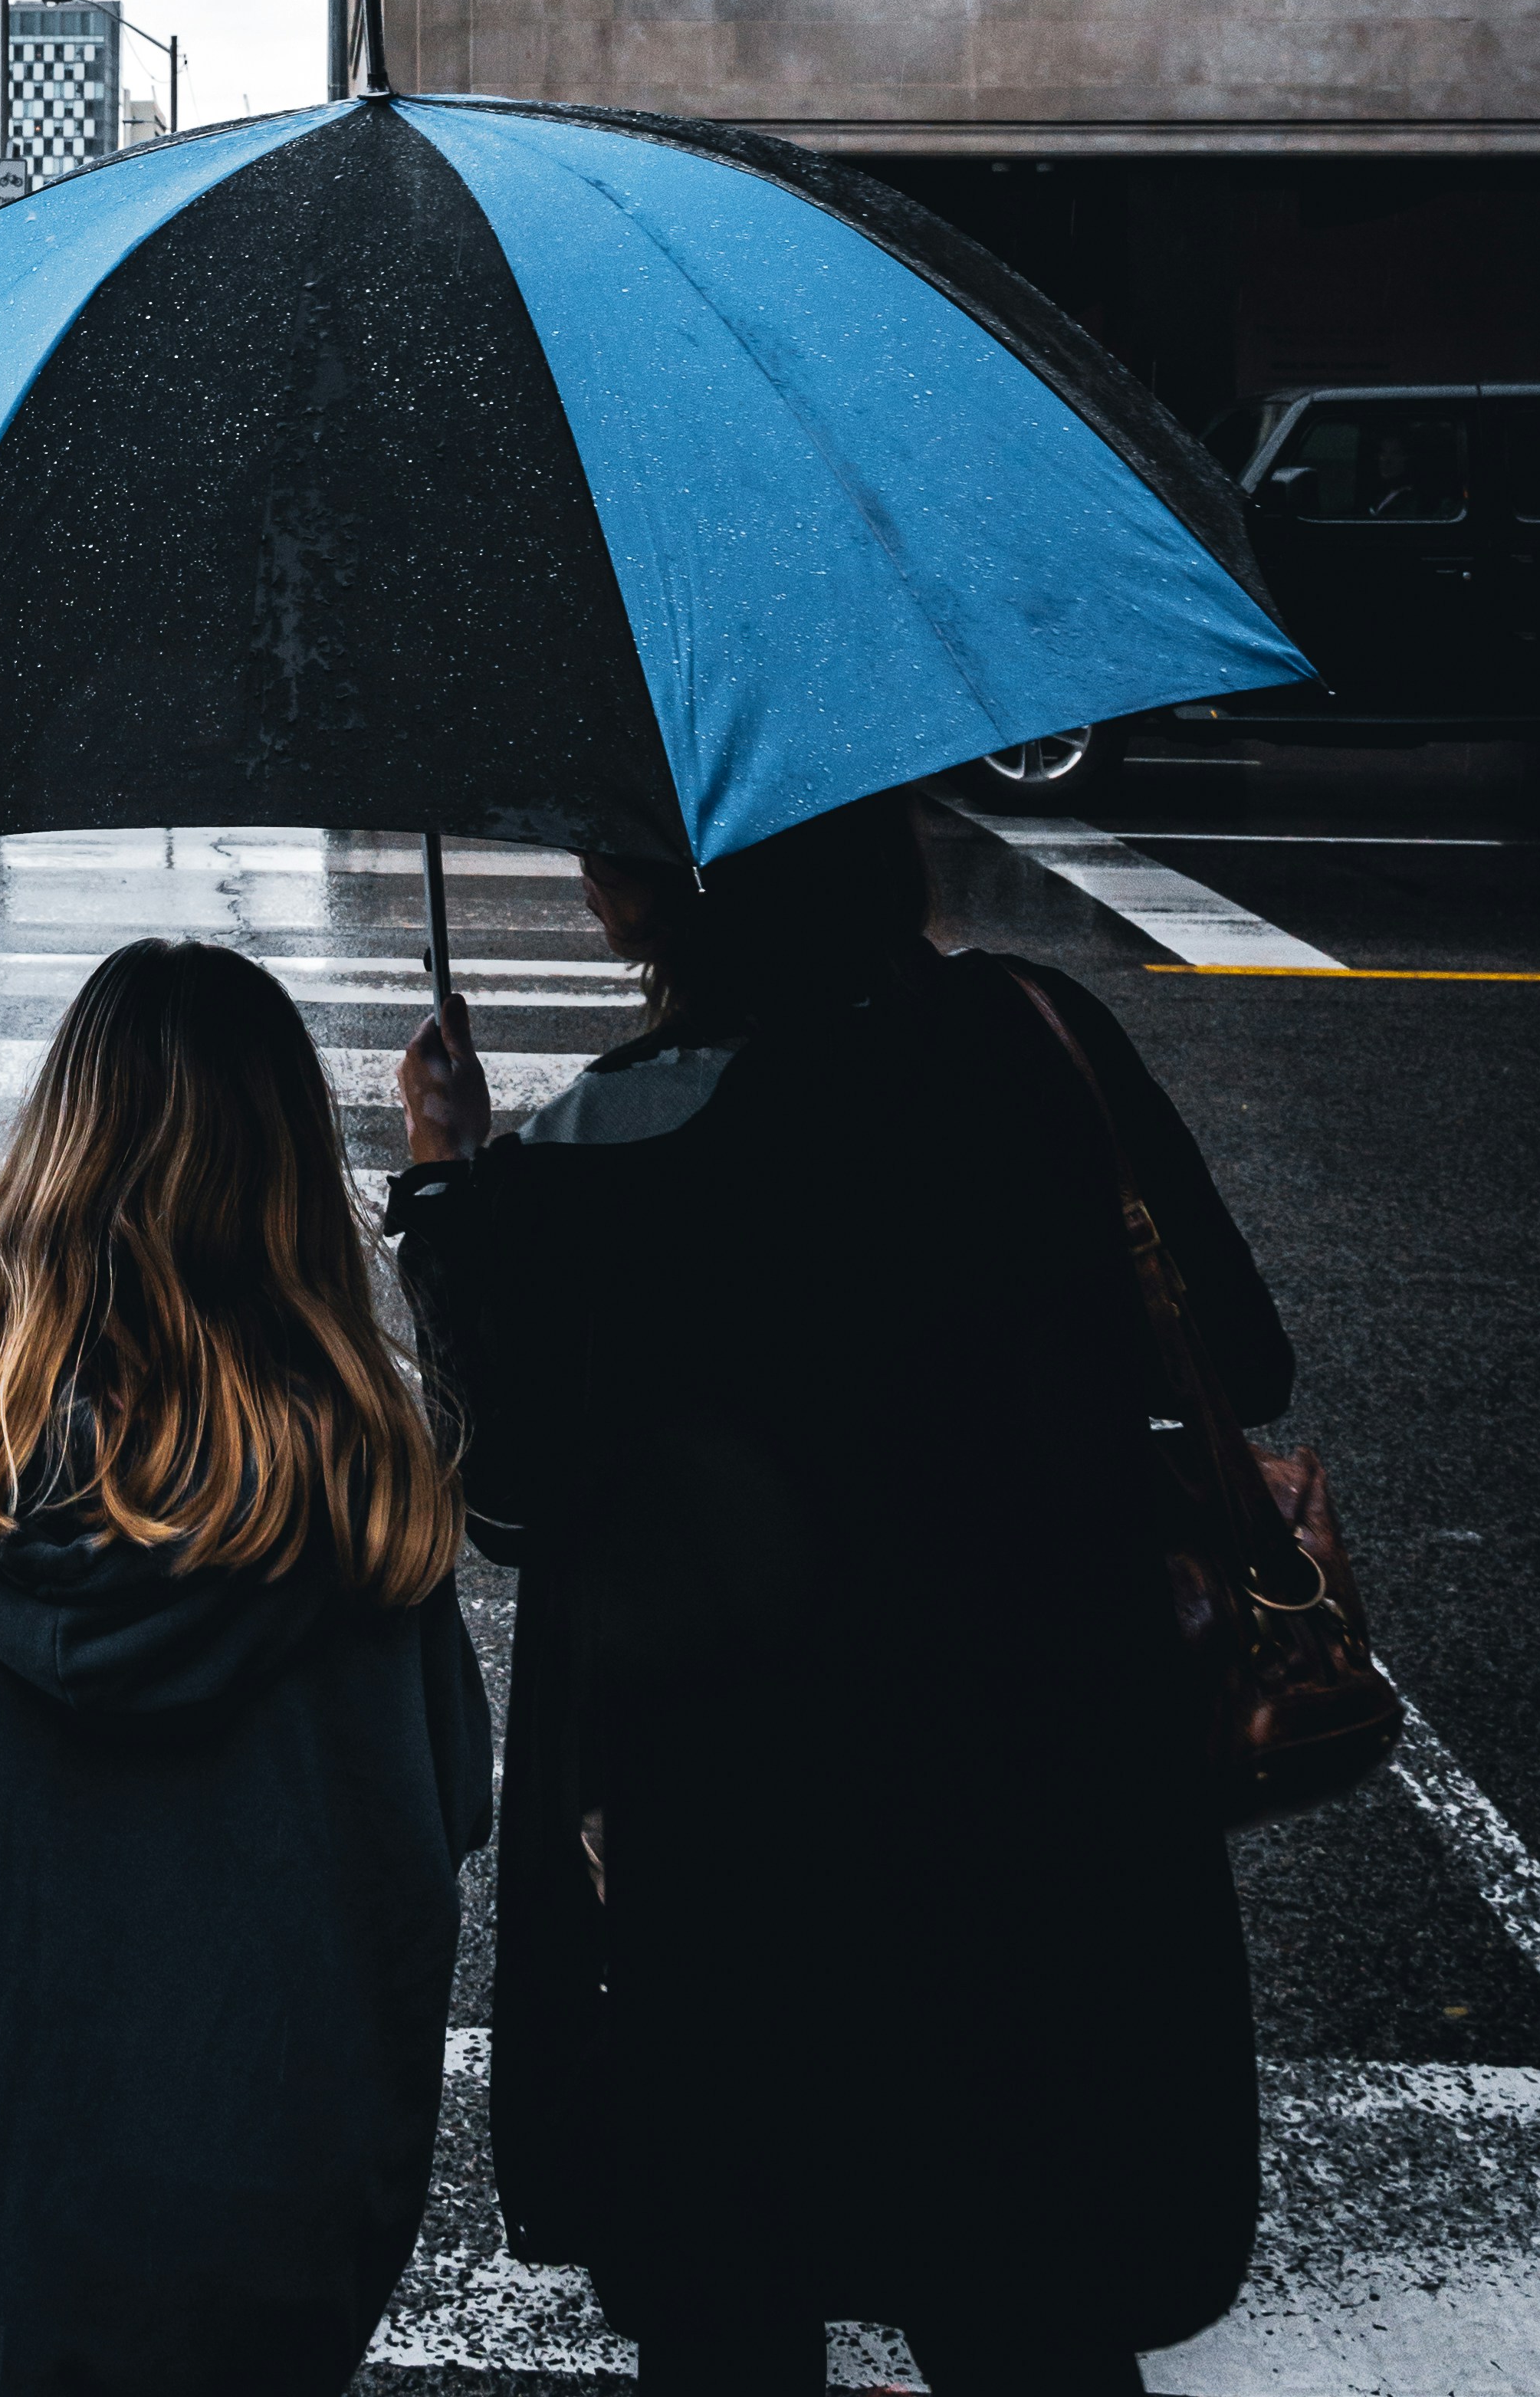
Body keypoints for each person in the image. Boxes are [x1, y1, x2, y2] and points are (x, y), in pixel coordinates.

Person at [393, 787, 1295, 2397]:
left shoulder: (612, 1137)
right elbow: (1234, 1352)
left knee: (729, 2291)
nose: (588, 877)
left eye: (605, 848)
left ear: (675, 896)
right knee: (1022, 2290)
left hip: (737, 1822)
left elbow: (514, 1492)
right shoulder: (1034, 1036)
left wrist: (451, 1175)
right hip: (1040, 1775)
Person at [0, 935, 494, 2397]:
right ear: (285, 1167)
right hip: (240, 2233)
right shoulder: (355, 1481)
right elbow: (447, 1809)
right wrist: (451, 1173)